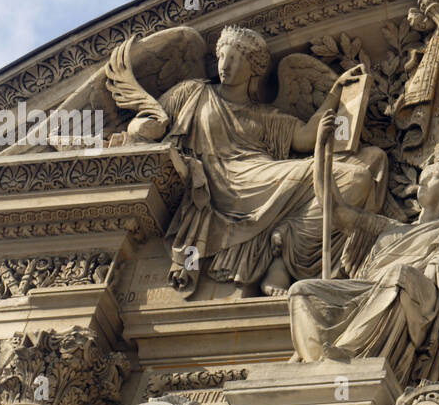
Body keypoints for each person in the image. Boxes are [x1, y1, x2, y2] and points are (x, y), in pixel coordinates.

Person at [122, 25, 385, 296]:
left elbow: (306, 138)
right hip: (219, 185)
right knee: (346, 176)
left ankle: (283, 251)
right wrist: (142, 128)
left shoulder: (263, 117)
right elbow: (147, 120)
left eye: (236, 58)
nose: (225, 65)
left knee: (356, 178)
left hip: (261, 175)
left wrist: (336, 93)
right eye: (222, 56)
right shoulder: (192, 93)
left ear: (254, 68)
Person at [287, 112, 439, 387]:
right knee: (302, 292)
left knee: (399, 276)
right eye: (423, 174)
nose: (423, 180)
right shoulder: (389, 229)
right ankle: (320, 375)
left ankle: (347, 357)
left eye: (432, 177)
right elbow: (335, 210)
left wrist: (415, 274)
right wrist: (321, 150)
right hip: (370, 296)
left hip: (420, 303)